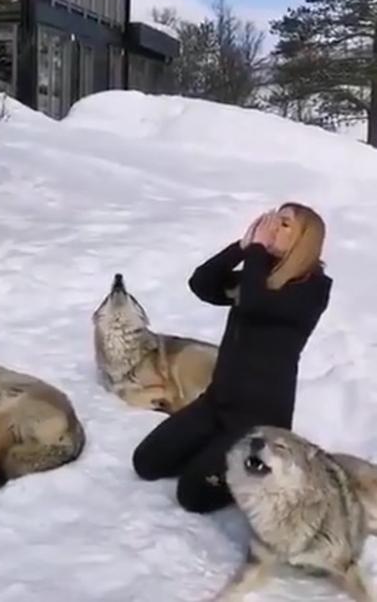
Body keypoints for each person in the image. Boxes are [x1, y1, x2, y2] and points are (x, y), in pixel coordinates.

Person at [131, 202, 333, 514]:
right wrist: (241, 248)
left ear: (303, 240)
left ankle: (253, 474)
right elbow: (202, 284)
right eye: (274, 218)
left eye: (285, 224)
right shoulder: (260, 274)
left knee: (193, 496)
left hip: (257, 422)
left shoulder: (312, 289)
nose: (272, 225)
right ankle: (211, 454)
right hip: (217, 405)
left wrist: (256, 252)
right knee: (146, 462)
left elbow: (255, 304)